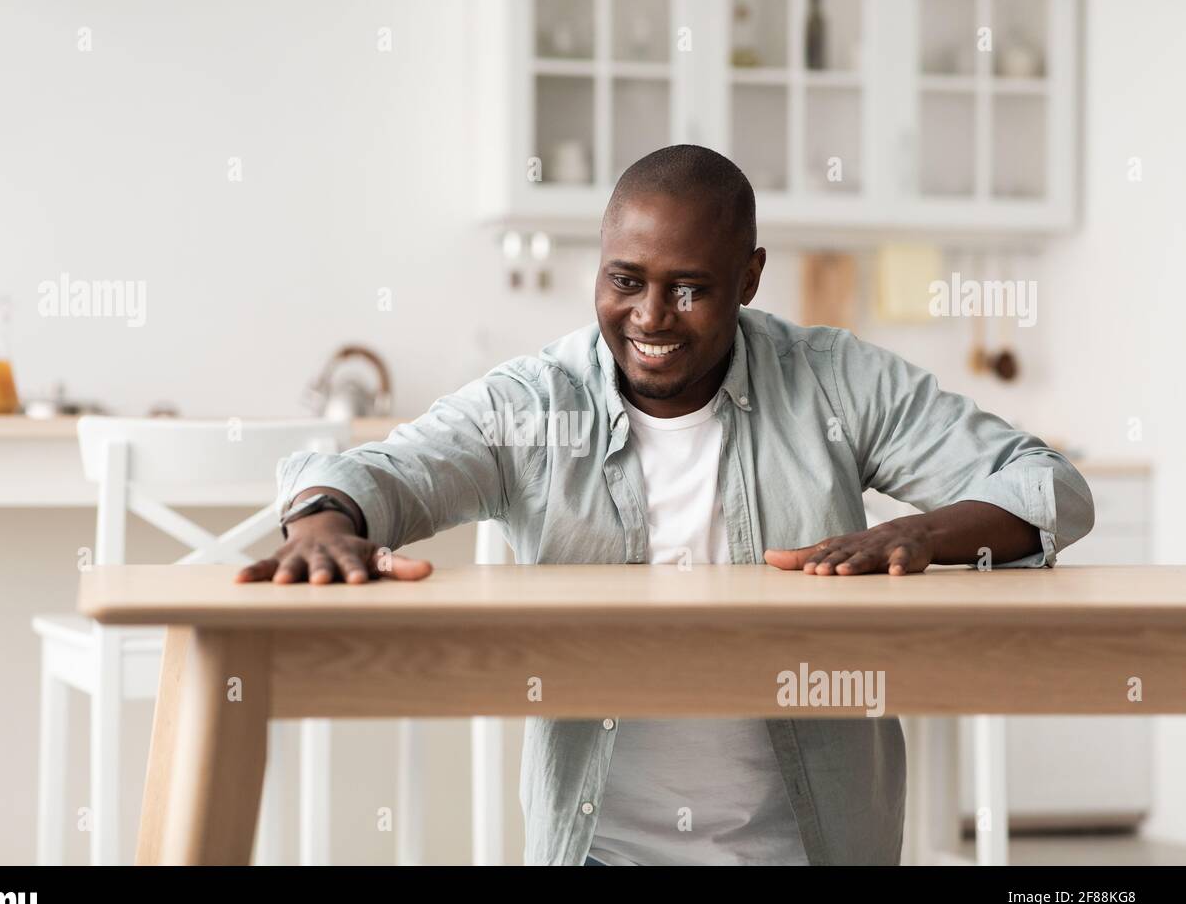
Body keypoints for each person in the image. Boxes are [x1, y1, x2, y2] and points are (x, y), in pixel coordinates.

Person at [238, 145, 1095, 865]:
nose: (651, 317)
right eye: (625, 280)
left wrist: (919, 534)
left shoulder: (834, 378)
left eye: (690, 288)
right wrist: (322, 521)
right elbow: (391, 471)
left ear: (749, 277)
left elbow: (1045, 484)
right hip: (602, 854)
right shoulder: (536, 401)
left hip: (812, 850)